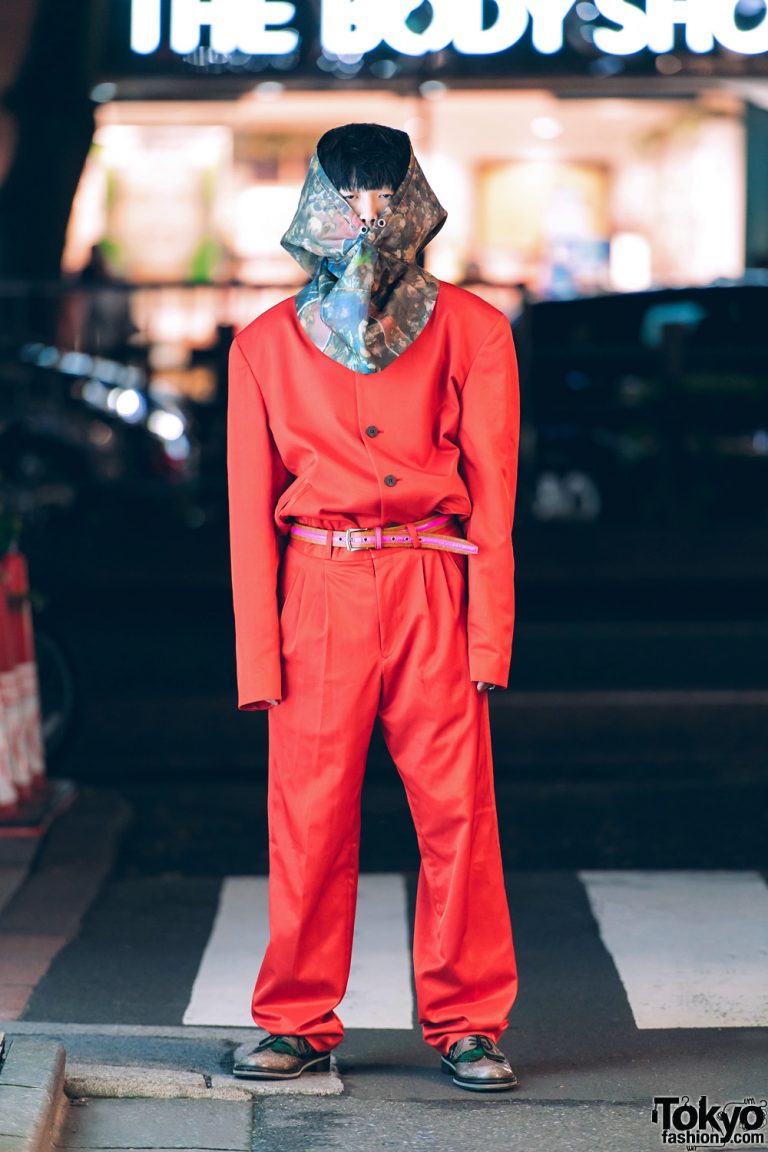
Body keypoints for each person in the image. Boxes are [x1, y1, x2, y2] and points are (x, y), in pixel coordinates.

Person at [226, 123, 520, 1092]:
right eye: (349, 193)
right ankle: (298, 1017)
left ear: (414, 202)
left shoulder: (475, 330)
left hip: (433, 576)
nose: (367, 213)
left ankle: (470, 1020)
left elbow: (498, 495)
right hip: (320, 583)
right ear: (317, 201)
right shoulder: (264, 344)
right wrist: (258, 657)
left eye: (384, 193)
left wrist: (489, 632)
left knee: (458, 814)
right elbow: (243, 515)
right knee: (306, 814)